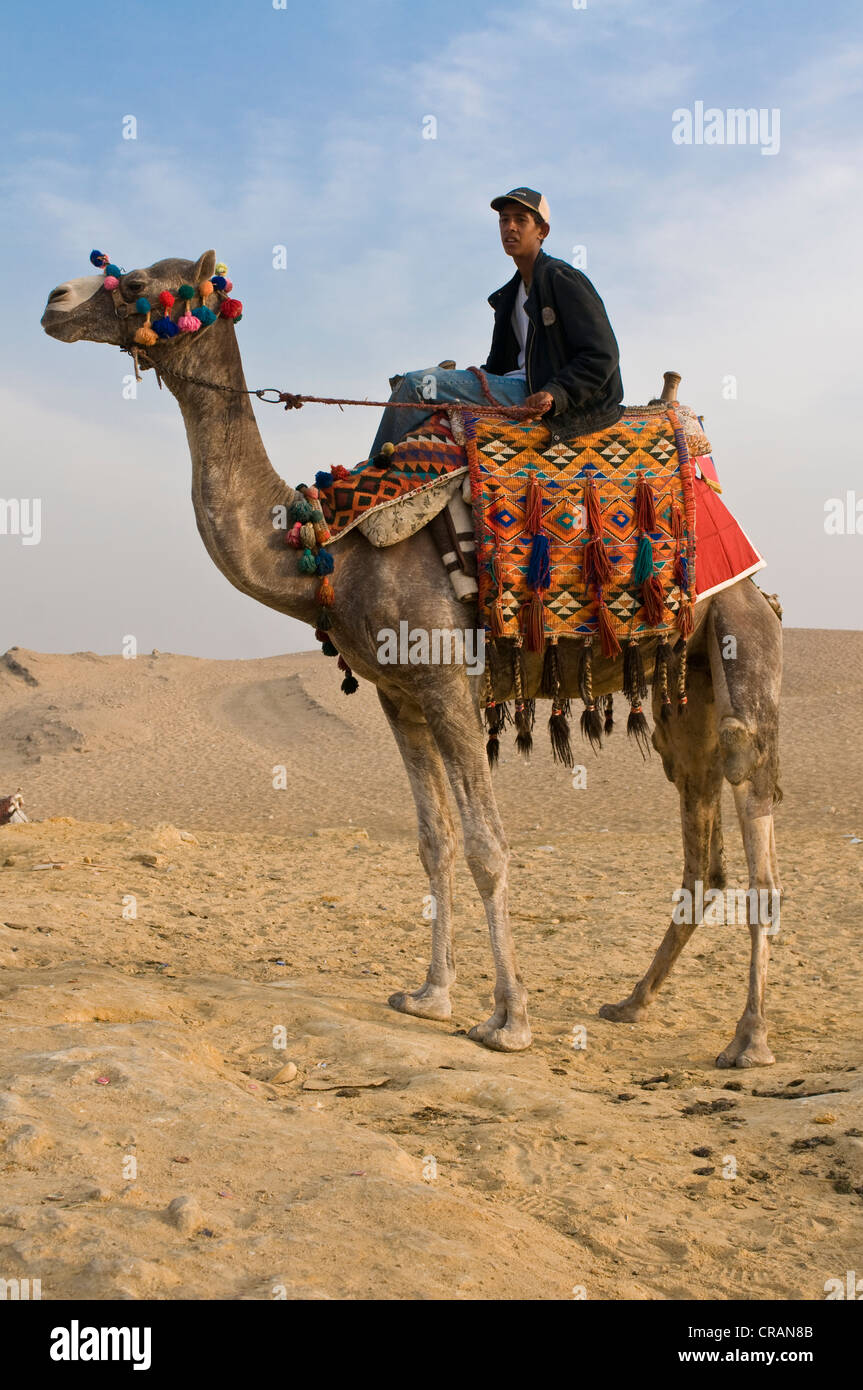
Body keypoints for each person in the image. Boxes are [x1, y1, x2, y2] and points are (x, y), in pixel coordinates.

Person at [368, 186, 623, 457]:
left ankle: (371, 471)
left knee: (416, 385)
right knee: (431, 384)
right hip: (514, 386)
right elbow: (499, 366)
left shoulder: (561, 279)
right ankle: (401, 466)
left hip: (538, 391)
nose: (509, 227)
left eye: (520, 220)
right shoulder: (509, 295)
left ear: (542, 231)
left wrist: (555, 392)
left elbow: (603, 355)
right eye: (504, 220)